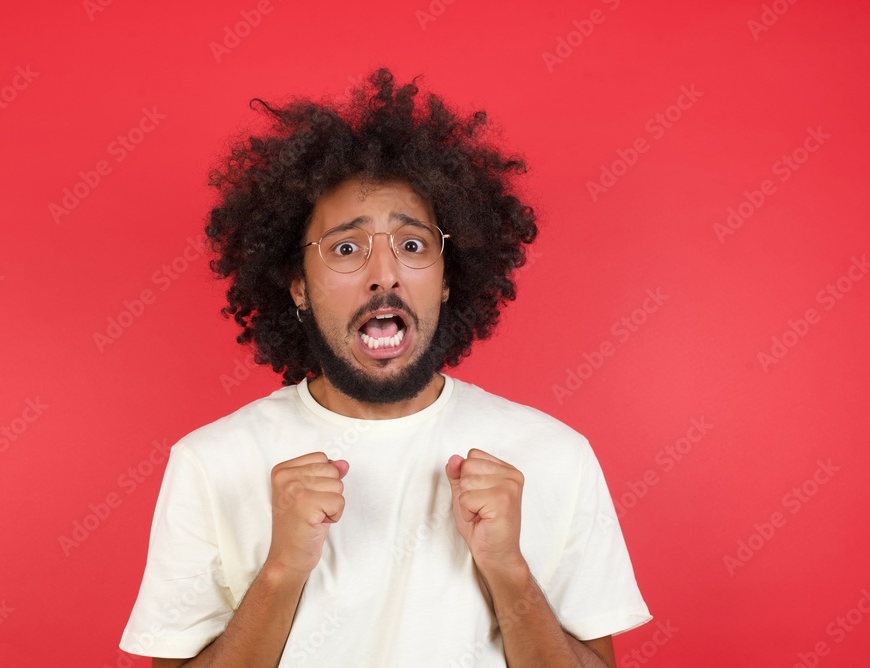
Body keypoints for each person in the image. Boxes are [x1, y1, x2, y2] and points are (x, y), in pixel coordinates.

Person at [119, 68, 651, 667]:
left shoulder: (553, 455)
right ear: (297, 284)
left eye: (413, 245)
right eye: (346, 248)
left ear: (448, 279)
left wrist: (509, 572)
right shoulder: (212, 463)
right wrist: (280, 573)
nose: (385, 274)